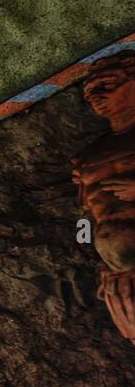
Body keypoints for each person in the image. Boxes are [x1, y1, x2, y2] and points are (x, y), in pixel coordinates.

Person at [72, 51, 135, 340]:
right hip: (115, 270)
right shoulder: (88, 156)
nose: (96, 97)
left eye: (106, 85)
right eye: (90, 93)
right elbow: (88, 212)